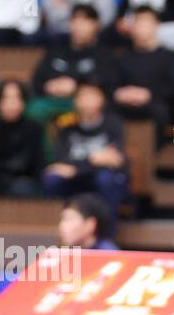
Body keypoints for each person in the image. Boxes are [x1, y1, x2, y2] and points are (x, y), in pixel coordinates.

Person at [42, 78, 128, 232]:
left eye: (92, 95)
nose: (87, 100)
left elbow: (115, 159)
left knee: (107, 179)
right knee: (52, 177)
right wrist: (93, 160)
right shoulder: (66, 126)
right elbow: (61, 162)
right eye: (82, 96)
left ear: (102, 99)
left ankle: (106, 234)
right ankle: (56, 231)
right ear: (75, 101)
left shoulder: (113, 124)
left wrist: (78, 166)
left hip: (100, 178)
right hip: (76, 180)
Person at [27, 3, 118, 125]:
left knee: (88, 105)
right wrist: (48, 86)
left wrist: (77, 87)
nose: (78, 27)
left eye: (84, 22)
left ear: (96, 25)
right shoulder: (56, 51)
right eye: (75, 21)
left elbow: (108, 84)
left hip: (82, 102)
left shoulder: (103, 55)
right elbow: (37, 80)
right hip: (52, 101)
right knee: (34, 108)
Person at [111, 6, 174, 142]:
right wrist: (120, 93)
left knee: (162, 113)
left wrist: (148, 94)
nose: (143, 28)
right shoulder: (122, 57)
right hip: (126, 105)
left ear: (156, 26)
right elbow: (112, 84)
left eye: (147, 23)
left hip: (156, 105)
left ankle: (148, 154)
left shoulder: (169, 56)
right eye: (139, 23)